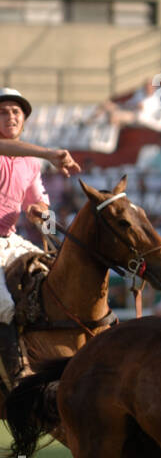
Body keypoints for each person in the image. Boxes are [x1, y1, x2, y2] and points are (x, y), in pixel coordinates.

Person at [0, 88, 82, 387]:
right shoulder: (28, 154)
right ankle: (18, 378)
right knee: (2, 304)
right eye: (3, 111)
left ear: (24, 120)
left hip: (8, 238)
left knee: (53, 277)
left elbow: (37, 202)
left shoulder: (30, 163)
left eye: (16, 112)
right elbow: (7, 148)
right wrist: (48, 153)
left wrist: (40, 212)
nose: (10, 116)